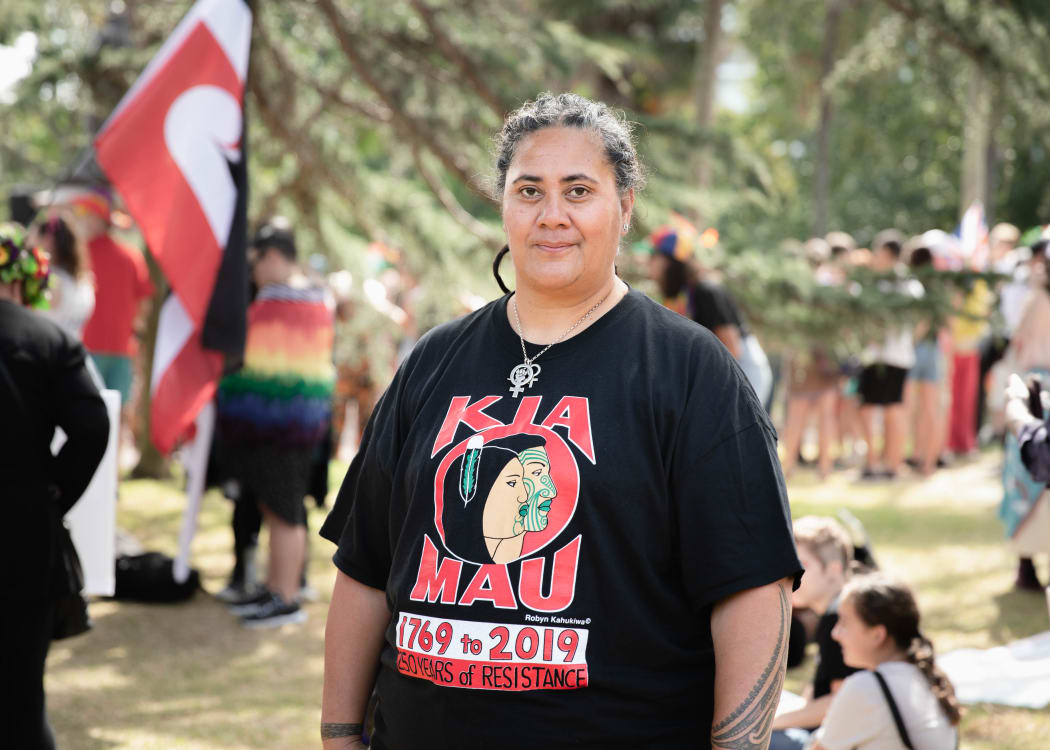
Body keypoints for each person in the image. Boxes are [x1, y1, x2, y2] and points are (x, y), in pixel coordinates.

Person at [319, 93, 802, 750]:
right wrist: (342, 737)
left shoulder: (691, 372)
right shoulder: (433, 359)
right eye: (529, 191)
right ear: (504, 205)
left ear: (624, 206)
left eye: (579, 191)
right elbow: (365, 566)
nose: (552, 215)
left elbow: (750, 586)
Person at [0, 223, 110, 749]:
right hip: (23, 531)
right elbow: (92, 428)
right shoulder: (50, 340)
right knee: (22, 694)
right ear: (25, 281)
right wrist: (51, 493)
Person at [215, 220, 336, 627]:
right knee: (281, 509)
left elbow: (253, 366)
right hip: (298, 426)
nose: (252, 272)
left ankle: (285, 598)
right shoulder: (318, 299)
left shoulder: (277, 303)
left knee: (284, 512)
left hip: (276, 428)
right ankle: (277, 588)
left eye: (255, 262)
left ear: (270, 256)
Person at [811, 574, 960, 750]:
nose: (835, 633)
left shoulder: (866, 687)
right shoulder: (927, 675)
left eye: (844, 623)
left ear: (877, 635)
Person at [53, 184, 153, 426]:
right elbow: (144, 304)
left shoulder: (80, 256)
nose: (81, 221)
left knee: (90, 414)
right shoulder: (131, 256)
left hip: (96, 349)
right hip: (116, 348)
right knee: (115, 415)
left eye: (85, 215)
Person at [647, 215, 773, 406]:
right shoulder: (680, 296)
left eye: (654, 257)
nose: (648, 264)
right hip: (721, 368)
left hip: (743, 369)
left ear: (670, 262)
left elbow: (732, 348)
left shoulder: (706, 292)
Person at [771, 516, 858, 750]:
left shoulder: (840, 617)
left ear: (833, 569)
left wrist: (769, 724)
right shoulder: (831, 614)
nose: (790, 576)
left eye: (802, 567)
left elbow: (839, 705)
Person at [1000, 251, 1050, 591]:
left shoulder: (1036, 300)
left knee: (1026, 473)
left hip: (1035, 387)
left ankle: (1026, 563)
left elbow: (1020, 340)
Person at [858, 230, 917, 479]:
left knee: (889, 410)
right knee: (875, 408)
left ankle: (889, 463)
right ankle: (880, 463)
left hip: (890, 355)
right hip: (882, 355)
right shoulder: (909, 285)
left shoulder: (899, 285)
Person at [31, 213, 95, 339]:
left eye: (34, 239)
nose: (31, 246)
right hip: (77, 354)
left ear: (48, 241)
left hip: (51, 355)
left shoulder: (50, 281)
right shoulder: (84, 279)